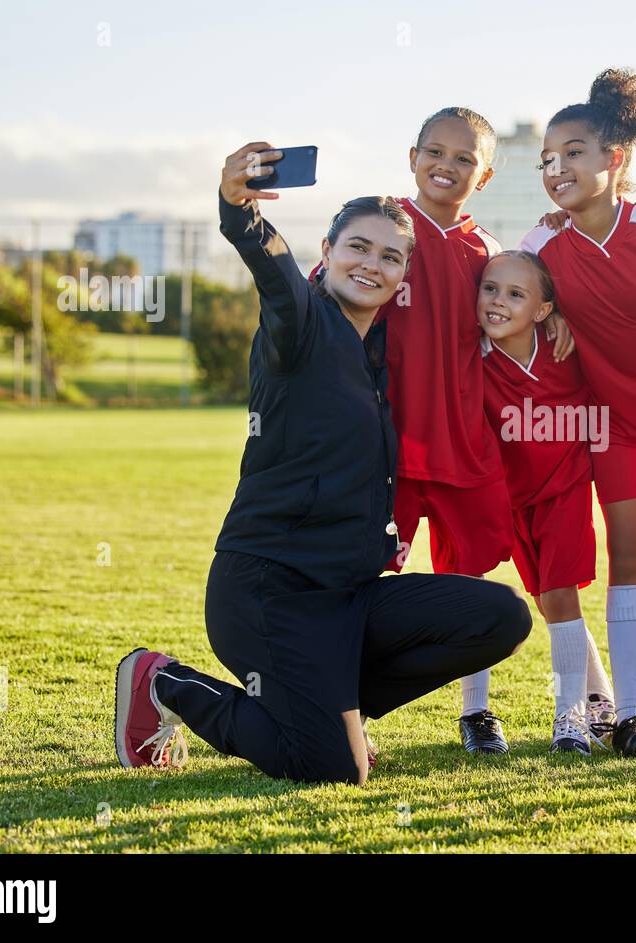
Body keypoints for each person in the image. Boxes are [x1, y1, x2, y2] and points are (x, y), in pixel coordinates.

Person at [113, 142, 531, 785]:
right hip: (270, 592)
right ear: (329, 252)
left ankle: (327, 707)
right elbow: (272, 271)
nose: (372, 264)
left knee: (498, 615)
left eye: (390, 256)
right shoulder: (302, 327)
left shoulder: (382, 353)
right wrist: (239, 210)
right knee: (332, 768)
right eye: (357, 247)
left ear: (401, 277)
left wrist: (543, 328)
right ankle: (164, 682)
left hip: (348, 596)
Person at [521, 69, 636, 757]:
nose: (557, 167)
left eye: (573, 152)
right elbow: (512, 302)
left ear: (614, 159)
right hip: (614, 425)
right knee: (631, 552)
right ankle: (628, 715)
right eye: (547, 158)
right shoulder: (541, 246)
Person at [377, 107, 573, 755]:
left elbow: (523, 303)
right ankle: (337, 697)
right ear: (412, 156)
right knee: (363, 575)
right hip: (389, 450)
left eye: (465, 159)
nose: (447, 165)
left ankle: (476, 711)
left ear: (483, 175)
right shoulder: (384, 231)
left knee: (472, 586)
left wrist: (556, 319)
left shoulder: (485, 251)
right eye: (435, 151)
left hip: (465, 446)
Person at [476, 250, 609, 755]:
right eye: (490, 288)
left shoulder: (564, 349)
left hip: (565, 489)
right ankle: (603, 705)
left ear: (542, 310)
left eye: (515, 294)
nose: (497, 302)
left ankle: (570, 719)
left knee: (562, 596)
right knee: (548, 602)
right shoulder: (473, 356)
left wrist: (565, 322)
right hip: (510, 498)